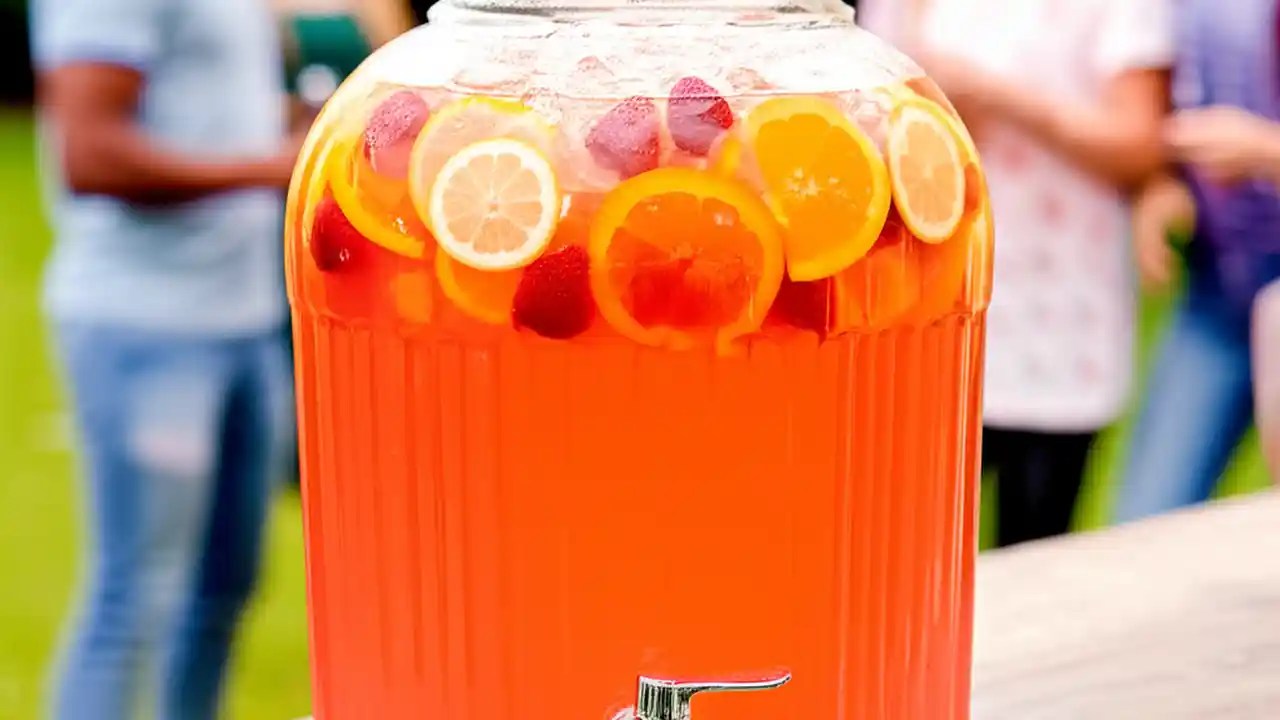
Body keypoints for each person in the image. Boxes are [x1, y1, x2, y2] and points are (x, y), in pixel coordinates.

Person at [30, 0, 300, 716]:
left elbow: (209, 105)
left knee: (222, 591)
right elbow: (89, 152)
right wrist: (273, 168)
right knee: (135, 596)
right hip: (147, 326)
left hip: (247, 318)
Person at [862, 0, 1173, 545]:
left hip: (1059, 325)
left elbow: (1138, 146)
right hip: (929, 311)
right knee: (904, 543)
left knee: (1034, 553)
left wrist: (1002, 98)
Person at [1121, 0, 1280, 521]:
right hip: (1219, 288)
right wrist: (1159, 185)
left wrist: (1261, 148)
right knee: (1144, 520)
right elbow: (1160, 93)